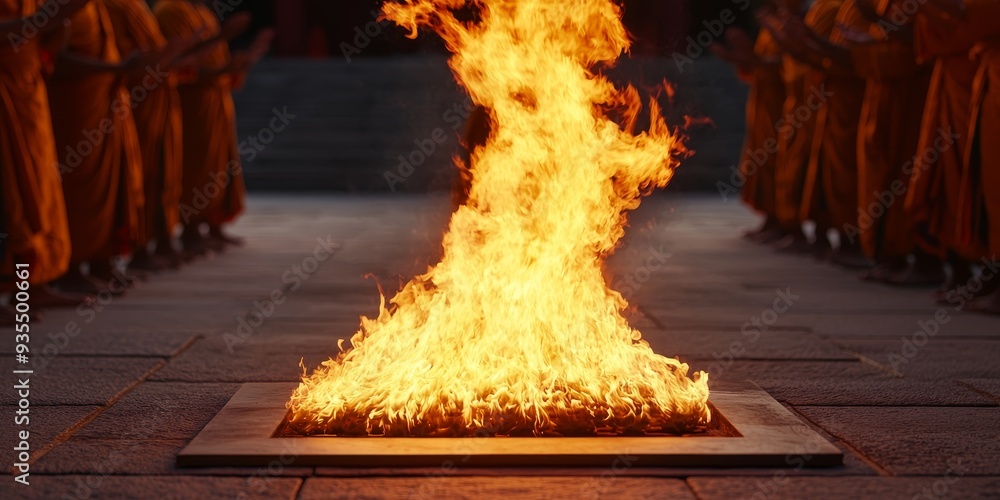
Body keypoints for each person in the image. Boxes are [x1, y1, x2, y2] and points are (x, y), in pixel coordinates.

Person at [48, 0, 160, 295]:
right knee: (79, 190)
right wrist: (115, 67)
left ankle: (100, 260)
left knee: (111, 188)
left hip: (104, 105)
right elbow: (54, 60)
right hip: (76, 111)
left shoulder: (99, 6)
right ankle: (69, 268)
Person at [154, 0, 272, 256]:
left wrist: (245, 59)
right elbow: (176, 64)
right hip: (192, 105)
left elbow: (218, 62)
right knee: (195, 167)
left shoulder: (203, 13)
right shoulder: (170, 11)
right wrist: (223, 38)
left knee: (218, 166)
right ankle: (190, 229)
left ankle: (211, 223)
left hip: (215, 102)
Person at [0, 0, 91, 324]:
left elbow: (47, 43)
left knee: (36, 197)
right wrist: (40, 19)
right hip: (4, 96)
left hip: (28, 96)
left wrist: (59, 21)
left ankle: (33, 285)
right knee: (8, 199)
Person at [761, 0, 868, 268]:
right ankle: (809, 232)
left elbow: (851, 58)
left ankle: (853, 242)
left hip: (839, 100)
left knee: (842, 174)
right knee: (809, 171)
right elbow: (809, 59)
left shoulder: (840, 8)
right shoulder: (829, 7)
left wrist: (805, 41)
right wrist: (796, 42)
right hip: (810, 101)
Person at [103, 0, 192, 271]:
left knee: (163, 174)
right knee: (135, 180)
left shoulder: (136, 6)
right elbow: (127, 59)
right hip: (127, 100)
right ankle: (110, 256)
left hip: (156, 100)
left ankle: (156, 242)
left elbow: (152, 57)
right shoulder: (112, 5)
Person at [710, 18, 787, 244]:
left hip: (781, 105)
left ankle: (786, 221)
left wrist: (743, 54)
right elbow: (756, 67)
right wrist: (736, 56)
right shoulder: (770, 29)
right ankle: (771, 218)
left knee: (777, 162)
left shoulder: (790, 26)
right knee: (761, 160)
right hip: (763, 103)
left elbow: (784, 65)